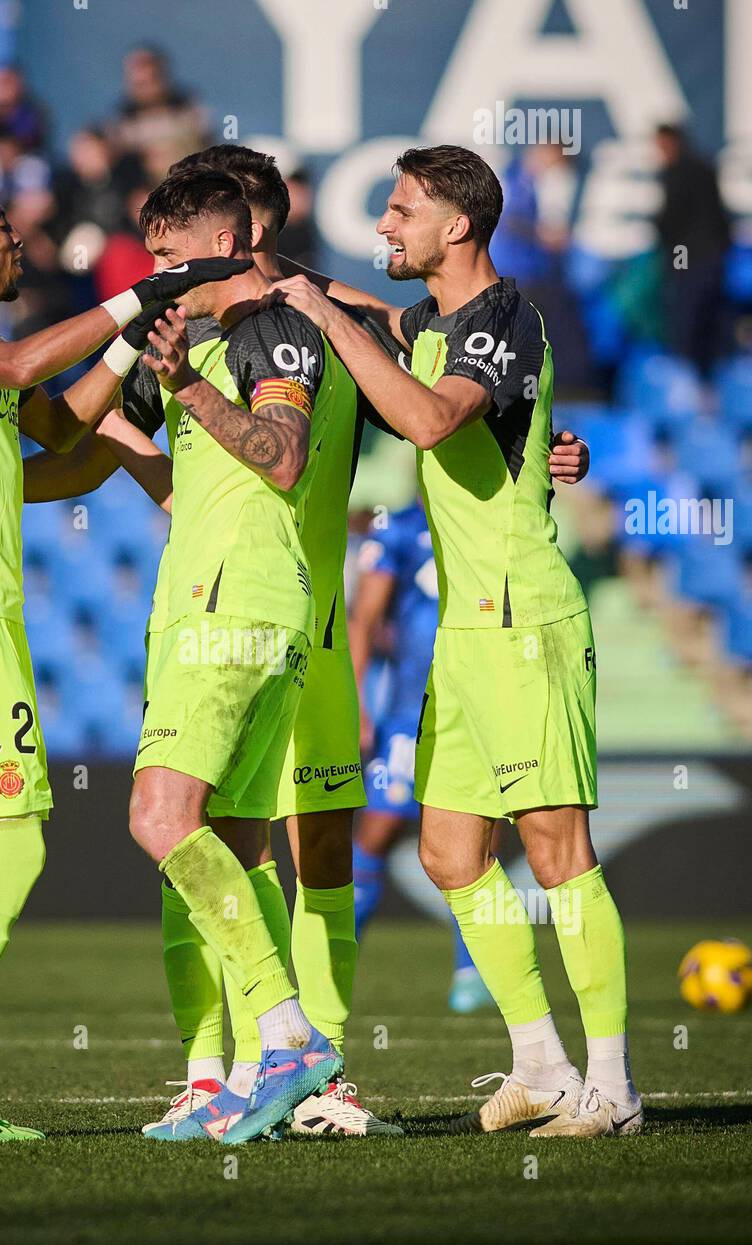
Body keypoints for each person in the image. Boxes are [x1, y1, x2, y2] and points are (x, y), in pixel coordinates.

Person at [122, 146, 589, 1139]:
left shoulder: (323, 329)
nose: (221, 256)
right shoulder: (190, 333)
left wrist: (542, 444)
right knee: (208, 832)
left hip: (315, 625)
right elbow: (101, 432)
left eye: (237, 232)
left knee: (316, 853)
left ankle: (319, 1071)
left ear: (254, 231)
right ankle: (211, 1069)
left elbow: (445, 405)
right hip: (232, 610)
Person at [0, 151, 251, 1144]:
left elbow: (69, 442)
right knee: (17, 838)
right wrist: (147, 291)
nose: (13, 233)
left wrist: (136, 345)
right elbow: (29, 368)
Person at [274, 144, 640, 1139]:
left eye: (399, 211)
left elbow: (431, 420)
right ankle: (541, 1063)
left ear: (456, 227)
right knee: (445, 851)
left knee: (558, 852)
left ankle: (611, 1089)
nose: (383, 226)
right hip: (466, 634)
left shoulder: (502, 319)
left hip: (525, 618)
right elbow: (372, 312)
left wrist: (324, 323)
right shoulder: (433, 319)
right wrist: (280, 279)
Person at [113, 167, 360, 1144]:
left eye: (172, 261)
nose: (160, 280)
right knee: (239, 842)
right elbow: (189, 481)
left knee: (158, 815)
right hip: (249, 604)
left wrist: (176, 387)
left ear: (225, 243)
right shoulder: (207, 342)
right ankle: (245, 1070)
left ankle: (289, 1037)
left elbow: (283, 453)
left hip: (235, 606)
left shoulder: (269, 326)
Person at [350, 499, 494, 1014]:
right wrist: (359, 706)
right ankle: (337, 958)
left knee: (473, 838)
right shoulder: (401, 528)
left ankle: (471, 972)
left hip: (472, 709)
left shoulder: (486, 519)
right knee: (378, 827)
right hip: (407, 716)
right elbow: (363, 620)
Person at [653, 123, 731, 382]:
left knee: (687, 322)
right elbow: (721, 220)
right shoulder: (705, 168)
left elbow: (671, 222)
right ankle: (709, 386)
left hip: (690, 260)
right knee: (710, 324)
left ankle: (689, 387)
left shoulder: (676, 173)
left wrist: (675, 262)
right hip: (712, 258)